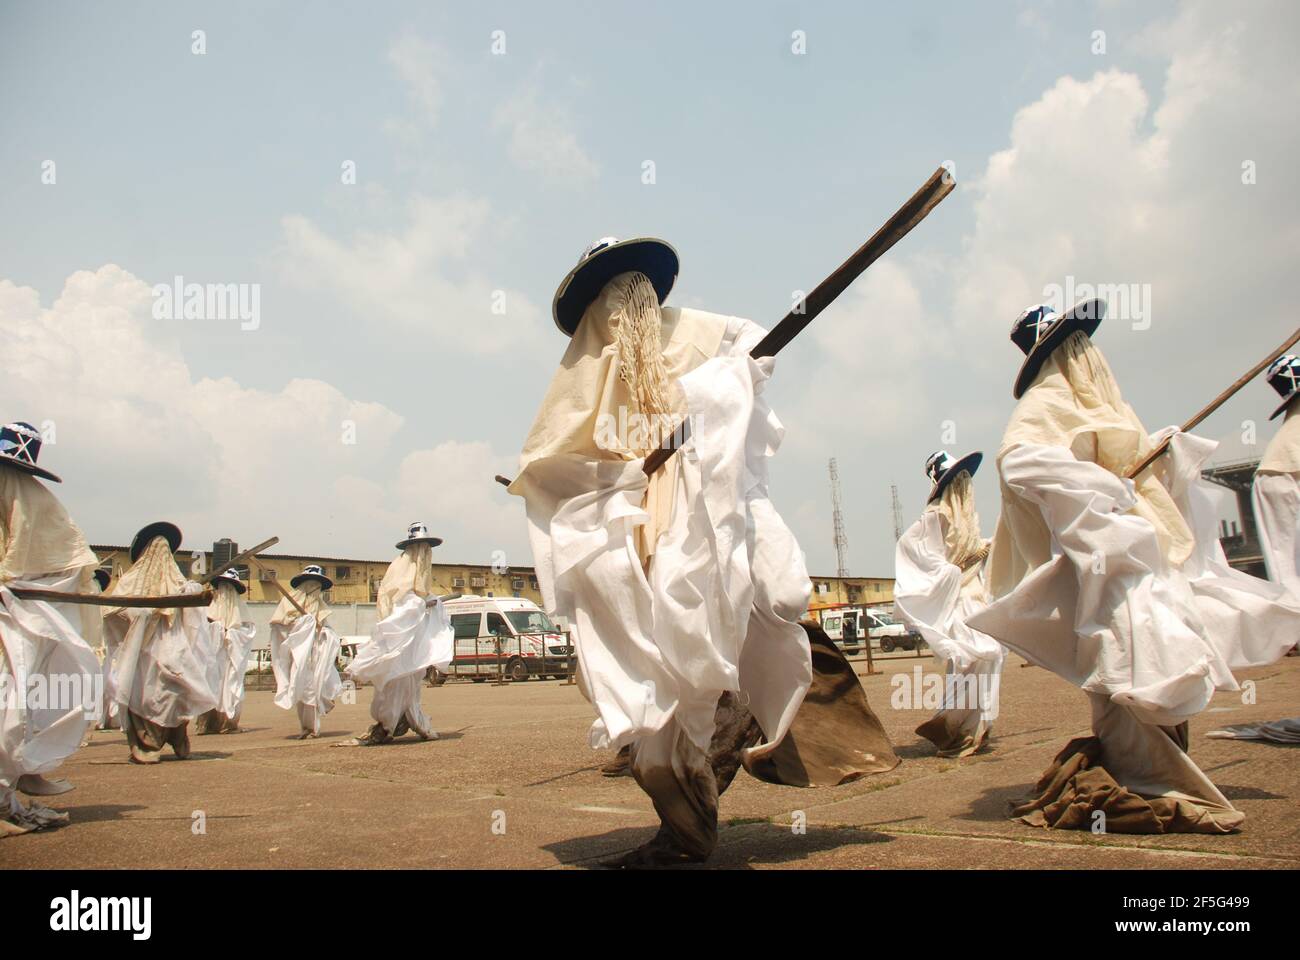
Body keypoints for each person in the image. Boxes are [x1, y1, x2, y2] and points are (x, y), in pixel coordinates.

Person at [509, 237, 897, 866]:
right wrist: (615, 481)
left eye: (628, 288)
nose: (622, 306)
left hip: (708, 517)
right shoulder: (590, 366)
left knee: (722, 635)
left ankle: (693, 817)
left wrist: (721, 390)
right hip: (636, 536)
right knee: (654, 674)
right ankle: (701, 773)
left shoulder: (704, 333)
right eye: (608, 296)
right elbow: (557, 457)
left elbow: (754, 355)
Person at [969, 301, 1244, 833]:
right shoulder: (1041, 409)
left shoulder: (1093, 405)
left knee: (1153, 660)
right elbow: (1024, 462)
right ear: (1064, 353)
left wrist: (1161, 454)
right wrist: (1107, 488)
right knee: (1125, 668)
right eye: (1078, 345)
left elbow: (1130, 470)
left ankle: (1153, 771)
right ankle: (1149, 777)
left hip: (1131, 562)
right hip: (1099, 567)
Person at [0, 421, 102, 834]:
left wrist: (10, 585)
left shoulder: (34, 505)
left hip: (18, 613)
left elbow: (43, 567)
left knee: (19, 702)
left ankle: (16, 780)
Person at [894, 450, 1004, 757]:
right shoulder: (935, 516)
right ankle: (953, 724)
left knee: (989, 656)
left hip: (975, 595)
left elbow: (968, 547)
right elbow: (917, 554)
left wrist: (985, 547)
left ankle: (969, 728)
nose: (965, 482)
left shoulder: (965, 517)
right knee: (974, 656)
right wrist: (959, 565)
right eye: (960, 477)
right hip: (957, 598)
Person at [104, 522, 217, 764]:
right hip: (144, 647)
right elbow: (113, 614)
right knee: (148, 693)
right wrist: (141, 616)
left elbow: (193, 614)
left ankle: (165, 741)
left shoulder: (181, 584)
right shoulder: (132, 583)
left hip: (170, 642)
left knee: (168, 690)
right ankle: (154, 743)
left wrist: (193, 593)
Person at [344, 523, 453, 744]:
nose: (426, 553)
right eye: (422, 548)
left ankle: (412, 721)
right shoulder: (401, 569)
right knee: (396, 681)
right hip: (399, 641)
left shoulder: (416, 571)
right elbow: (403, 606)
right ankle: (386, 724)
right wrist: (423, 604)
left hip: (411, 642)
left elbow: (418, 598)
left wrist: (430, 603)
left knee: (411, 683)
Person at [269, 564, 342, 739]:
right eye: (312, 584)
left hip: (315, 657)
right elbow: (281, 630)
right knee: (301, 690)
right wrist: (304, 625)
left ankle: (312, 728)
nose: (315, 589)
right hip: (299, 657)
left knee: (312, 690)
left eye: (318, 586)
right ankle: (305, 727)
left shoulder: (320, 607)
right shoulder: (289, 606)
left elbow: (329, 633)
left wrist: (321, 631)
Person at [195, 568, 257, 735]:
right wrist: (217, 630)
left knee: (231, 686)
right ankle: (208, 723)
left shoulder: (242, 610)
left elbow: (248, 633)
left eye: (230, 587)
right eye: (223, 587)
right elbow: (201, 632)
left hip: (231, 658)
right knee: (210, 686)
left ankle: (228, 723)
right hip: (214, 658)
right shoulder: (210, 609)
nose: (226, 591)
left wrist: (232, 634)